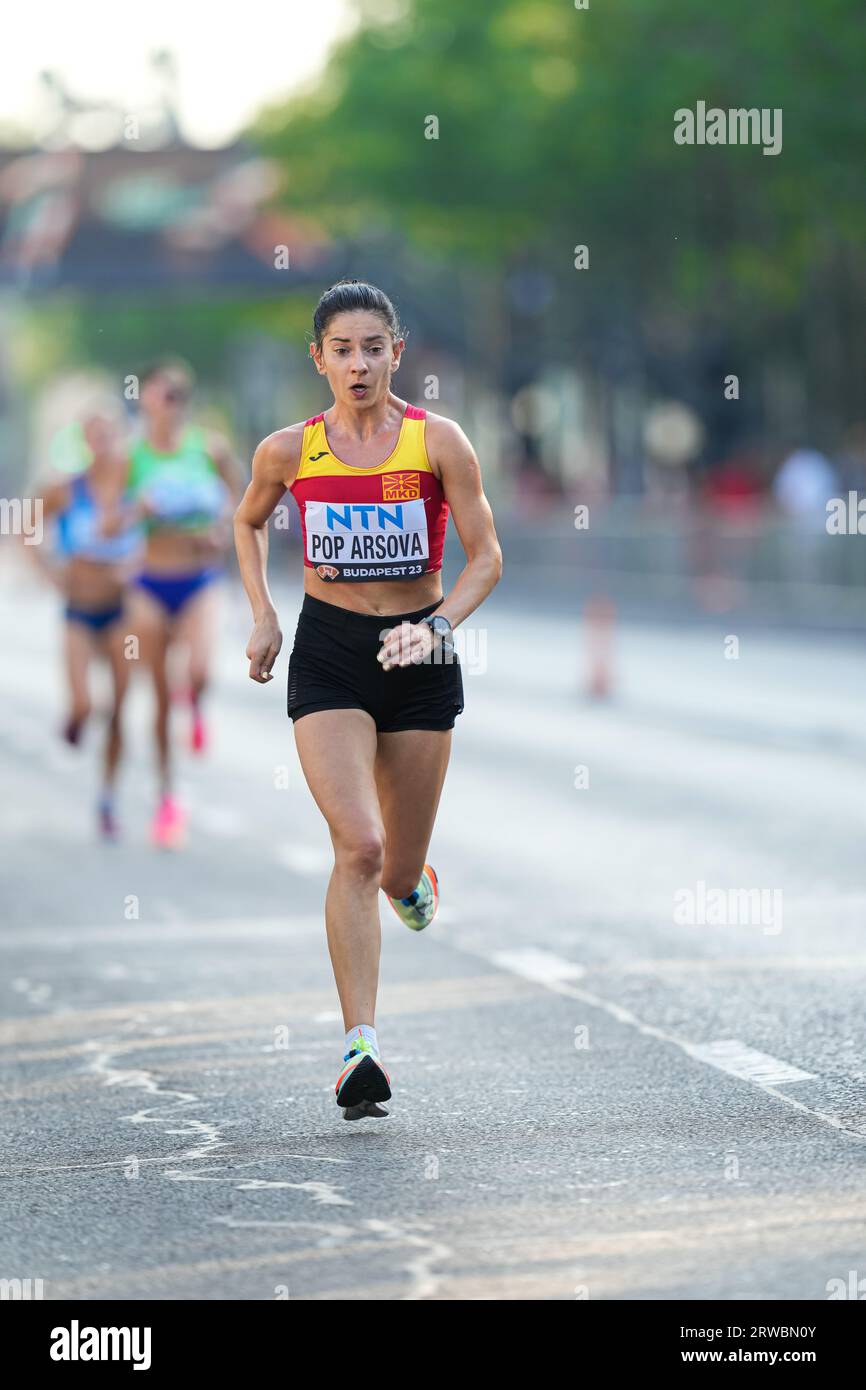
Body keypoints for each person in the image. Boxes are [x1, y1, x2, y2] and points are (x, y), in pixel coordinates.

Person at [234, 280, 503, 1119]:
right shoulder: (287, 452)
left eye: (373, 347)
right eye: (341, 350)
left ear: (398, 351)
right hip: (331, 658)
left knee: (392, 870)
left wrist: (441, 628)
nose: (358, 364)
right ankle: (359, 1049)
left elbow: (486, 556)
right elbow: (245, 524)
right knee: (356, 846)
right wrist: (264, 613)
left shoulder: (438, 443)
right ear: (317, 359)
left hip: (420, 655)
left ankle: (412, 880)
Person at [125, 359, 242, 848]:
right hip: (149, 581)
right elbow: (108, 514)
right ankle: (169, 798)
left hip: (198, 580)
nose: (166, 404)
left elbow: (243, 496)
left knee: (199, 672)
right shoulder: (130, 455)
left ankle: (195, 701)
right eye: (157, 394)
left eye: (175, 394)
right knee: (155, 695)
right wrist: (138, 509)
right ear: (143, 400)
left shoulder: (208, 447)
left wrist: (223, 528)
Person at [34, 405, 143, 838]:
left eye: (108, 435)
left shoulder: (136, 488)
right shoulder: (65, 489)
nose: (102, 444)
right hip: (78, 607)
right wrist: (50, 574)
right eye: (93, 436)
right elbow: (26, 526)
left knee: (118, 708)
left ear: (119, 437)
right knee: (84, 704)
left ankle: (107, 798)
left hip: (122, 609)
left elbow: (158, 534)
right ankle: (75, 721)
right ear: (84, 441)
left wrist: (138, 565)